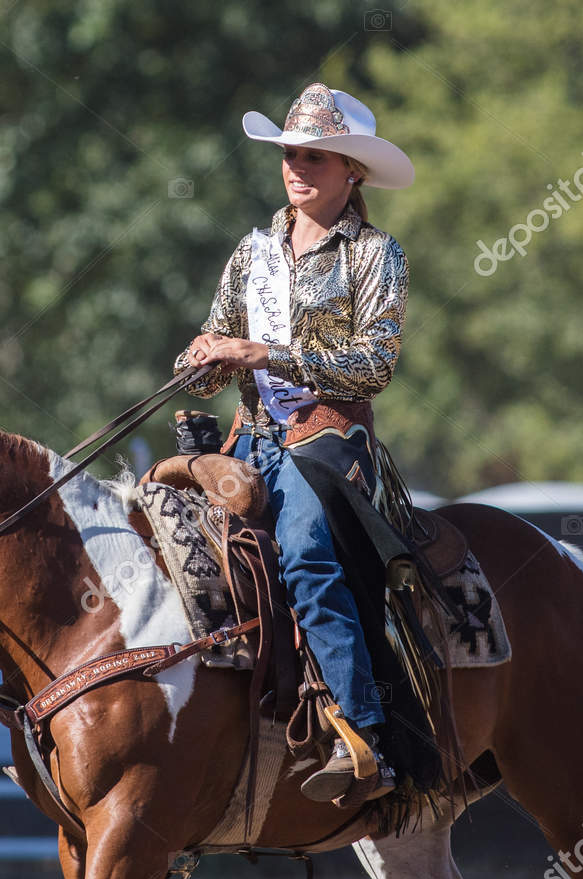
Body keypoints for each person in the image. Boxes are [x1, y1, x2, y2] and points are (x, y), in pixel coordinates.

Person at [176, 82, 414, 803]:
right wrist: (201, 359)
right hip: (251, 440)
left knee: (308, 551)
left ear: (353, 174)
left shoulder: (375, 254)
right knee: (167, 534)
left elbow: (375, 366)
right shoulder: (252, 255)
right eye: (290, 155)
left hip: (329, 442)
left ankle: (361, 734)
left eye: (316, 156)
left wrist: (265, 356)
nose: (298, 167)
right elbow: (211, 367)